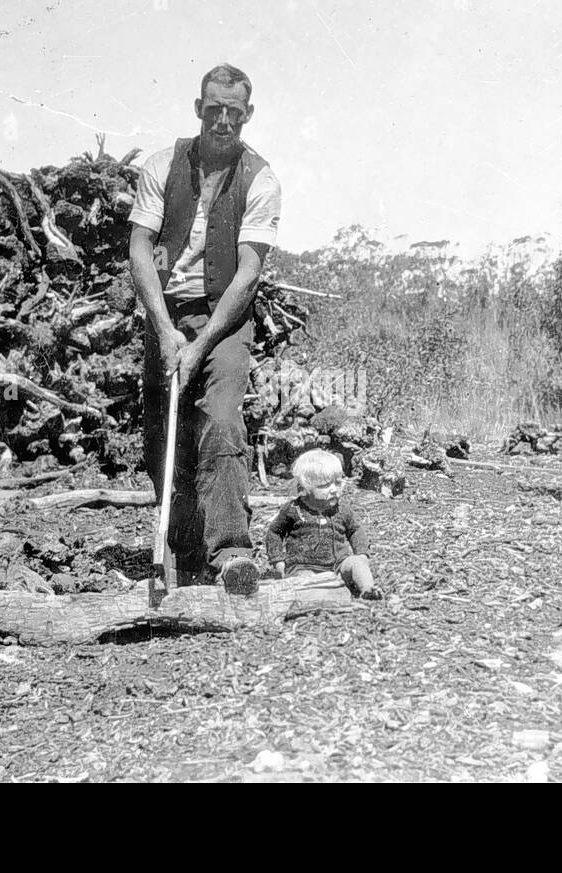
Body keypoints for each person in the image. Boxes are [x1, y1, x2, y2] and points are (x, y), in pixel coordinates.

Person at [128, 63, 281, 595]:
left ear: (248, 114)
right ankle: (183, 551)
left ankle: (231, 552)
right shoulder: (161, 165)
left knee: (219, 420)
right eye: (213, 109)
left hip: (225, 319)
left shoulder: (260, 179)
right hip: (167, 311)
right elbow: (139, 250)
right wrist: (164, 328)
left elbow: (248, 273)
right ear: (198, 108)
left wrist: (202, 344)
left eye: (233, 112)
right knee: (161, 433)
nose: (223, 121)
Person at [264, 450, 381, 600]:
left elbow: (355, 530)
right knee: (304, 582)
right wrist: (277, 560)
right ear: (305, 488)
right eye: (325, 485)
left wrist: (362, 553)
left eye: (338, 483)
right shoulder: (293, 510)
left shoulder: (342, 509)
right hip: (304, 566)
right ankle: (322, 597)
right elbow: (274, 532)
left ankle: (368, 590)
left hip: (339, 565)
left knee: (356, 563)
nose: (334, 489)